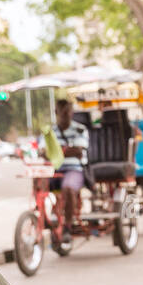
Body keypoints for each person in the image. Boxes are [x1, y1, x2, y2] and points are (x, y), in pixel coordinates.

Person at [49, 97, 89, 229]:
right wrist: (66, 150)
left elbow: (78, 151)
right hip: (54, 170)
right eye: (62, 112)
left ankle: (68, 225)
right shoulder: (50, 132)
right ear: (56, 112)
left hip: (74, 170)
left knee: (68, 187)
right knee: (39, 182)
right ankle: (41, 218)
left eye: (68, 111)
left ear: (72, 113)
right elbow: (43, 151)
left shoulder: (80, 129)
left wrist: (56, 151)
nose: (65, 115)